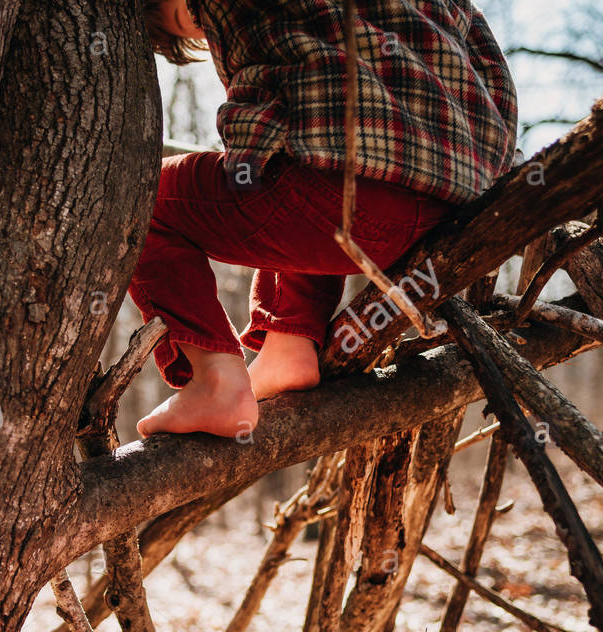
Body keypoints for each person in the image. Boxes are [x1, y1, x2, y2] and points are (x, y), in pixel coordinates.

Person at [133, 0, 518, 438]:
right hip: (454, 209)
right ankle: (289, 340)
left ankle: (215, 382)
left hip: (356, 206)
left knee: (142, 197)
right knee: (314, 150)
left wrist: (243, 155)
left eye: (190, 19)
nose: (205, 31)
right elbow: (494, 73)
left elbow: (260, 118)